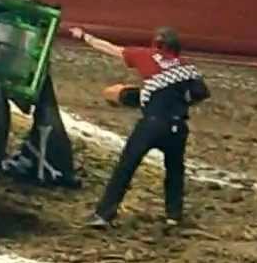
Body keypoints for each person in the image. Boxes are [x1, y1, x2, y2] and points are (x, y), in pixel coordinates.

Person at [68, 26, 210, 228]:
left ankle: (104, 214)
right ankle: (173, 216)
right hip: (178, 126)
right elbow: (201, 92)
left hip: (152, 124)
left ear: (157, 44)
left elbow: (111, 49)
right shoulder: (187, 67)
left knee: (125, 168)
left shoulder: (147, 55)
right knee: (175, 171)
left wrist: (84, 36)